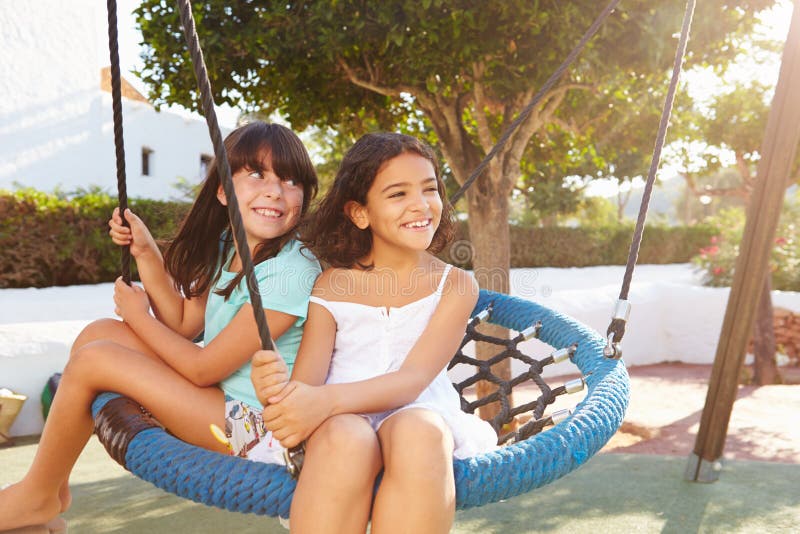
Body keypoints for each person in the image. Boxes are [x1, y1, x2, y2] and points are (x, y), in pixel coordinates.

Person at [0, 121, 321, 531]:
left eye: (291, 180)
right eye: (257, 174)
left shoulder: (291, 272)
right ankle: (52, 488)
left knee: (94, 360)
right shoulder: (231, 244)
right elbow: (184, 324)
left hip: (258, 427)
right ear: (223, 191)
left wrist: (138, 316)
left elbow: (204, 369)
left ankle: (36, 496)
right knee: (98, 334)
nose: (275, 190)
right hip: (222, 398)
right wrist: (146, 253)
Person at [251, 132, 498, 533]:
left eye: (429, 189)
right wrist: (277, 392)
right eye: (398, 194)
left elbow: (412, 379)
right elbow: (307, 383)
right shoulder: (332, 285)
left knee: (421, 433)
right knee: (345, 435)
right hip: (339, 421)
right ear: (360, 213)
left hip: (419, 408)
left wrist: (322, 401)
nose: (421, 204)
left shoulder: (454, 285)